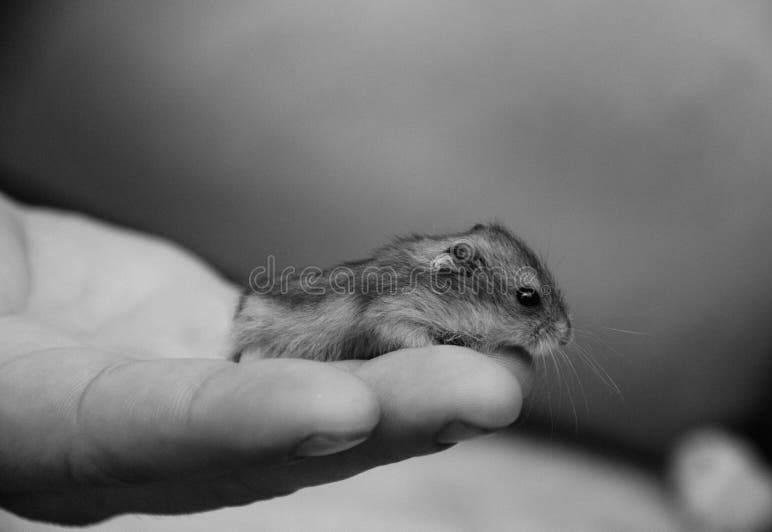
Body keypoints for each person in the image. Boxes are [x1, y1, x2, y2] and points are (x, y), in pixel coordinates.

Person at [0, 192, 529, 525]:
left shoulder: (433, 282)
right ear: (462, 271)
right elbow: (385, 324)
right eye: (527, 300)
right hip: (272, 315)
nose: (554, 325)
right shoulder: (404, 285)